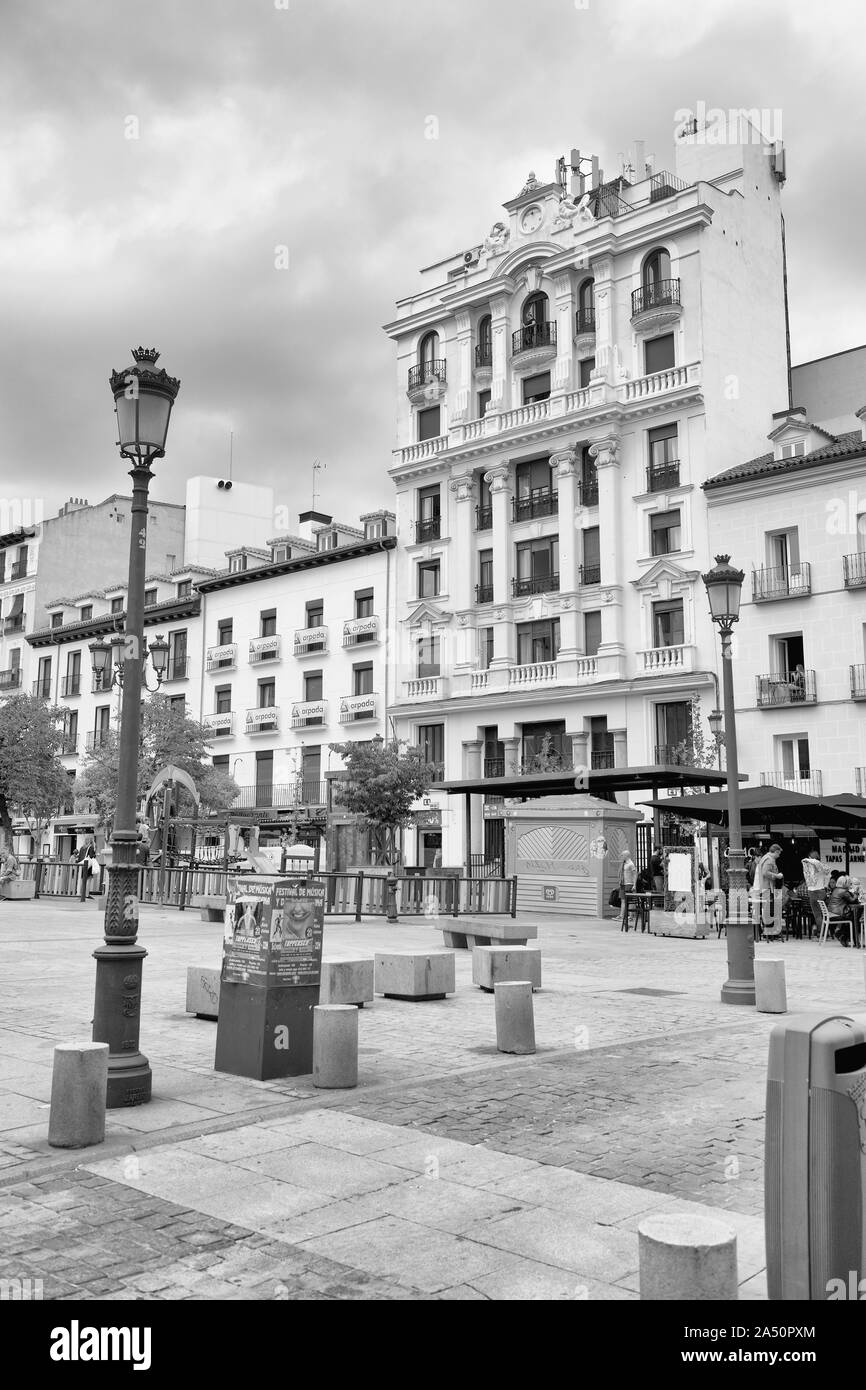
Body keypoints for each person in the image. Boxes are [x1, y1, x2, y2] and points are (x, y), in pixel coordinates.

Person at [755, 843, 784, 937]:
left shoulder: (764, 858)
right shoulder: (769, 859)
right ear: (775, 852)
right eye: (778, 854)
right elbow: (765, 872)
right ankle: (769, 932)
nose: (779, 856)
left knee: (769, 910)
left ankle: (769, 932)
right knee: (769, 910)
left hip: (765, 888)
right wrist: (777, 876)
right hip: (768, 888)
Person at [801, 844, 830, 935]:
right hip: (821, 891)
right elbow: (828, 872)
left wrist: (807, 859)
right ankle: (824, 932)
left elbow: (809, 862)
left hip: (812, 892)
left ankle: (821, 933)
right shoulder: (822, 866)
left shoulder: (807, 866)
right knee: (822, 914)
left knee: (817, 914)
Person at [827, 874, 861, 946]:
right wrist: (856, 892)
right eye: (849, 883)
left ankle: (843, 935)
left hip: (832, 913)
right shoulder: (844, 891)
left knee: (853, 918)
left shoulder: (836, 889)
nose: (850, 884)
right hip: (838, 914)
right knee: (854, 919)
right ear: (844, 883)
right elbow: (853, 900)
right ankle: (846, 937)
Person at [619, 848, 638, 928]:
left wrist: (634, 885)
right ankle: (621, 915)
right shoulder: (624, 863)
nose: (621, 856)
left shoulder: (631, 864)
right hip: (623, 883)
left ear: (626, 855)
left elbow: (635, 874)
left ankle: (631, 916)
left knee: (630, 901)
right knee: (623, 900)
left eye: (622, 855)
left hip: (629, 884)